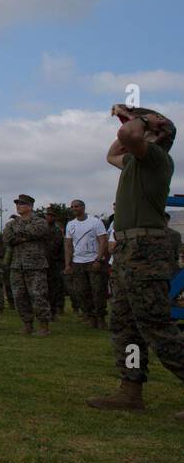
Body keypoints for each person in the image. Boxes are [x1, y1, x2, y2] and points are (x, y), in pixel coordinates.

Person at [88, 106, 184, 414]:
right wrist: (136, 120)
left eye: (146, 131)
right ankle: (130, 392)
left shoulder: (156, 159)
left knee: (156, 325)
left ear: (157, 136)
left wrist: (141, 119)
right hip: (128, 250)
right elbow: (112, 152)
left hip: (146, 249)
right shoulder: (133, 162)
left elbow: (126, 135)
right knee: (126, 326)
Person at [4, 195, 52, 336]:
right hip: (17, 265)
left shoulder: (40, 222)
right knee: (19, 296)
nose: (18, 206)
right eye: (17, 204)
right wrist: (25, 237)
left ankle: (44, 326)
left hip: (35, 265)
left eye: (22, 204)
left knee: (38, 295)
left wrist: (20, 236)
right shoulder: (12, 223)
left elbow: (36, 231)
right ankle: (27, 324)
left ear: (30, 206)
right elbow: (7, 238)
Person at [64, 199, 108, 329]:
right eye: (72, 207)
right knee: (82, 292)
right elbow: (68, 245)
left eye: (76, 206)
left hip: (93, 261)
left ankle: (100, 318)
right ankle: (90, 317)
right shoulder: (70, 224)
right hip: (78, 263)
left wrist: (98, 259)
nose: (74, 208)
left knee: (98, 291)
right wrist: (68, 264)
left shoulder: (95, 222)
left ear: (83, 207)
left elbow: (103, 241)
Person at [43, 207, 66, 317]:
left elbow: (55, 246)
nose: (49, 217)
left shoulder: (57, 230)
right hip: (44, 261)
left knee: (55, 287)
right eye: (47, 215)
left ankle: (55, 309)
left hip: (54, 262)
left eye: (51, 215)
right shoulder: (42, 228)